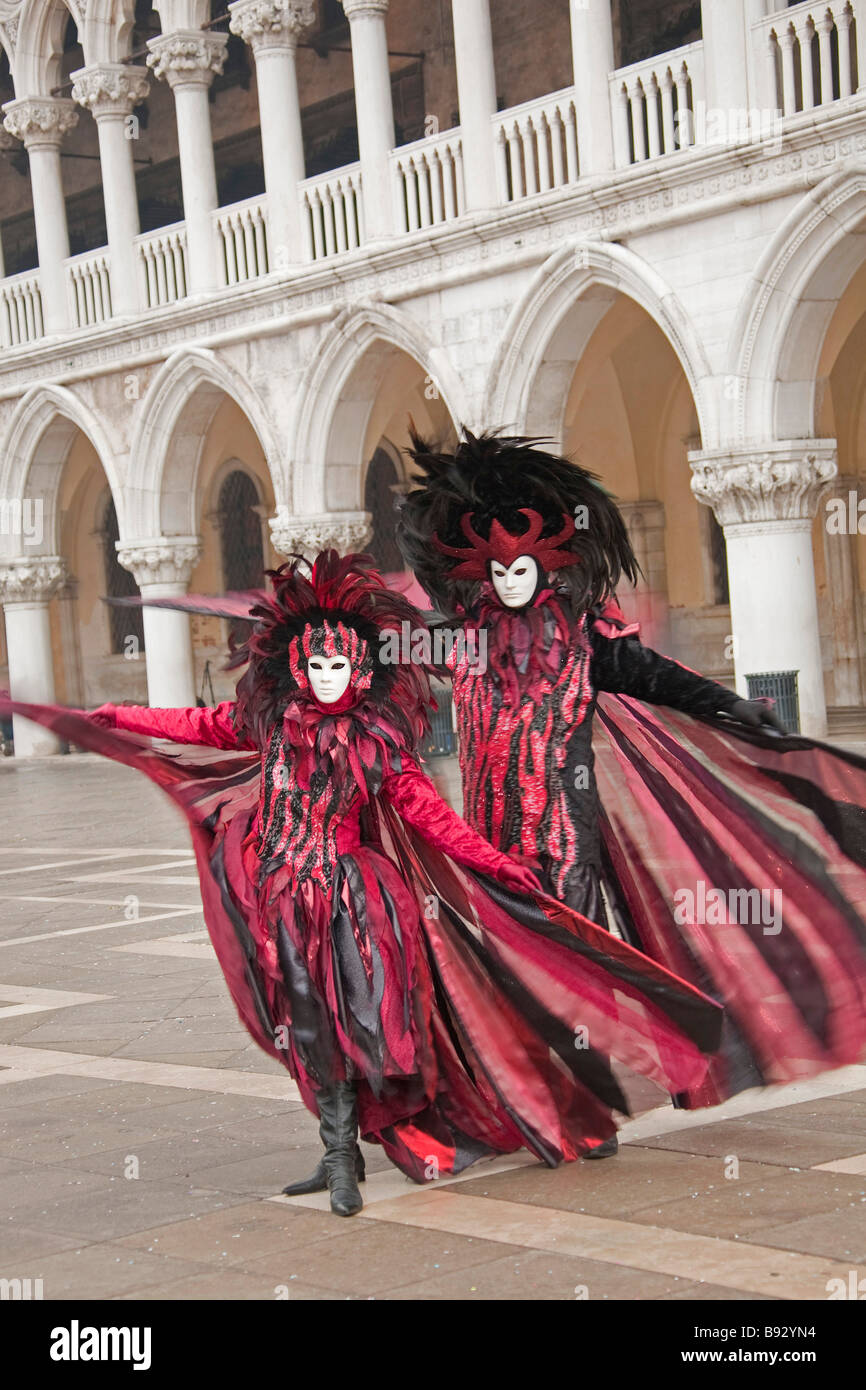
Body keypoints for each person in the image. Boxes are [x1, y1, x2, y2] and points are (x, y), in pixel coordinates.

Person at [1, 551, 722, 1214]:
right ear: (298, 667)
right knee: (308, 1026)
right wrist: (114, 717)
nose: (326, 679)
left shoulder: (379, 745)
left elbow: (432, 818)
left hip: (355, 908)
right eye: (315, 667)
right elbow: (193, 722)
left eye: (339, 667)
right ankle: (336, 1153)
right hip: (283, 903)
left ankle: (360, 1154)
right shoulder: (270, 724)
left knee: (361, 1025)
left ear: (362, 670)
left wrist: (498, 865)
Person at [397, 430, 866, 1144]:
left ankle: (591, 1109)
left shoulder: (587, 641)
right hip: (487, 842)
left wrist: (734, 708)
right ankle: (530, 1100)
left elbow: (658, 679)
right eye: (498, 568)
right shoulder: (458, 638)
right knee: (508, 971)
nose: (512, 580)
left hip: (565, 838)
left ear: (551, 563)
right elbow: (378, 666)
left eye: (525, 565)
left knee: (574, 964)